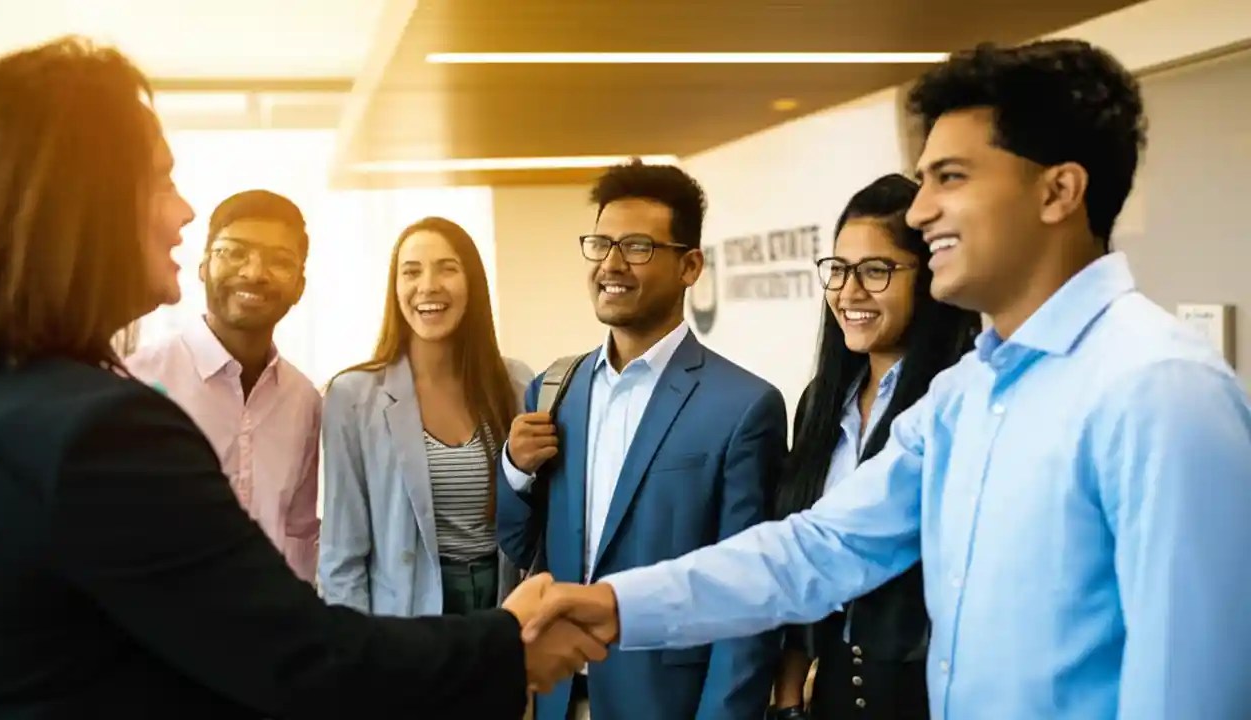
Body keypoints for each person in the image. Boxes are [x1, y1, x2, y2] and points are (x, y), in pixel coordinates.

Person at [523, 40, 1251, 720]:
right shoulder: (967, 396)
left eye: (951, 178)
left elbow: (1190, 692)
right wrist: (614, 604)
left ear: (1058, 191)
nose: (923, 208)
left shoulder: (1160, 391)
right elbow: (815, 550)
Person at [0, 37, 604, 719]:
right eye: (159, 181)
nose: (183, 211)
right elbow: (298, 653)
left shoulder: (4, 398)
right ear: (78, 201)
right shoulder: (103, 429)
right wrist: (505, 648)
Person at [498, 160, 784, 720]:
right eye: (600, 243)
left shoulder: (744, 406)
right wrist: (514, 468)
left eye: (637, 247)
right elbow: (518, 543)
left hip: (666, 702)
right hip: (559, 696)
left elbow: (749, 596)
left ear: (690, 265)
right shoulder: (556, 389)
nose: (611, 264)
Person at [771, 175, 979, 720]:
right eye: (838, 270)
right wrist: (789, 699)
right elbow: (804, 554)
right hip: (834, 691)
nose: (849, 291)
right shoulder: (822, 402)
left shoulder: (959, 401)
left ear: (929, 275)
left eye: (876, 271)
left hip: (931, 694)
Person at [319, 216, 533, 617]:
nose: (428, 285)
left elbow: (535, 523)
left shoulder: (518, 384)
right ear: (395, 288)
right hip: (403, 622)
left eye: (447, 269)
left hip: (502, 612)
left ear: (472, 283)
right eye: (411, 272)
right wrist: (351, 655)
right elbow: (341, 554)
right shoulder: (352, 396)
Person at [127, 190, 321, 583]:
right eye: (234, 252)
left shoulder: (305, 400)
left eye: (279, 262)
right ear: (202, 267)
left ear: (300, 285)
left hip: (270, 627)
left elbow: (300, 533)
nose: (254, 273)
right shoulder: (139, 381)